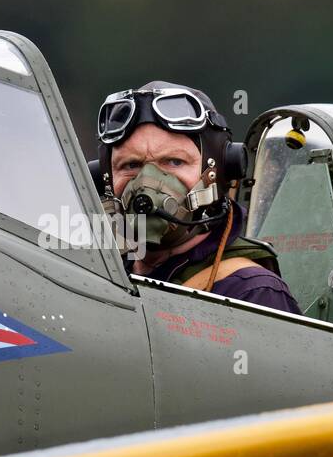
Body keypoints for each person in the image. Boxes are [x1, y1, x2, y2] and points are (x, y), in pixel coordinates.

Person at [94, 81, 301, 315]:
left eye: (174, 162)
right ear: (105, 180)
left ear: (219, 172)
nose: (146, 182)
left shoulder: (252, 293)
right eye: (131, 165)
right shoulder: (96, 279)